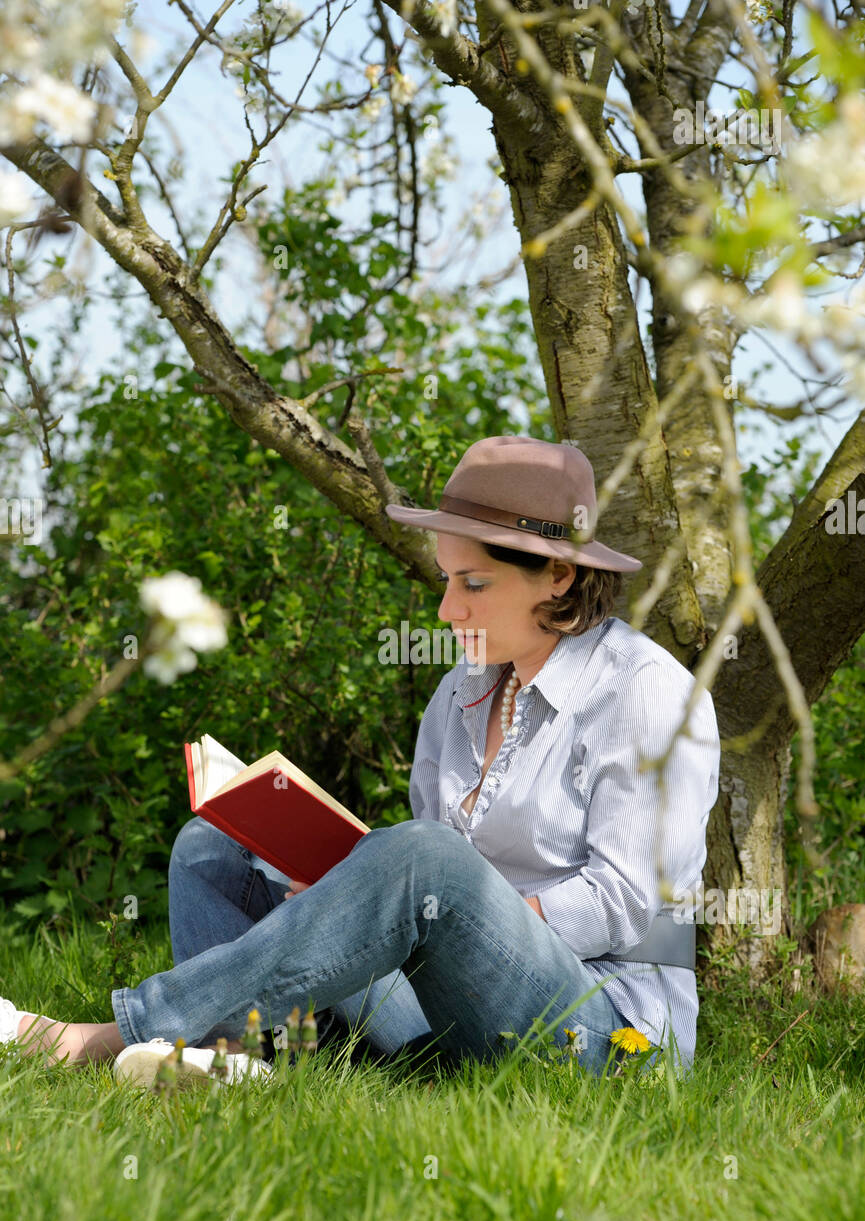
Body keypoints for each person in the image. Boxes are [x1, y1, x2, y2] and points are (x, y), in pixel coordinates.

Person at [0, 435, 720, 1085]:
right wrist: (338, 896)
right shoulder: (462, 690)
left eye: (472, 584)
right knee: (214, 848)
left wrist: (439, 908)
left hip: (603, 1036)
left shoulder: (647, 695)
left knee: (425, 863)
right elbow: (429, 891)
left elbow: (621, 905)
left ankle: (102, 1037)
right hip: (447, 1017)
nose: (445, 610)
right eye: (445, 579)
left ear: (558, 576)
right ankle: (238, 1063)